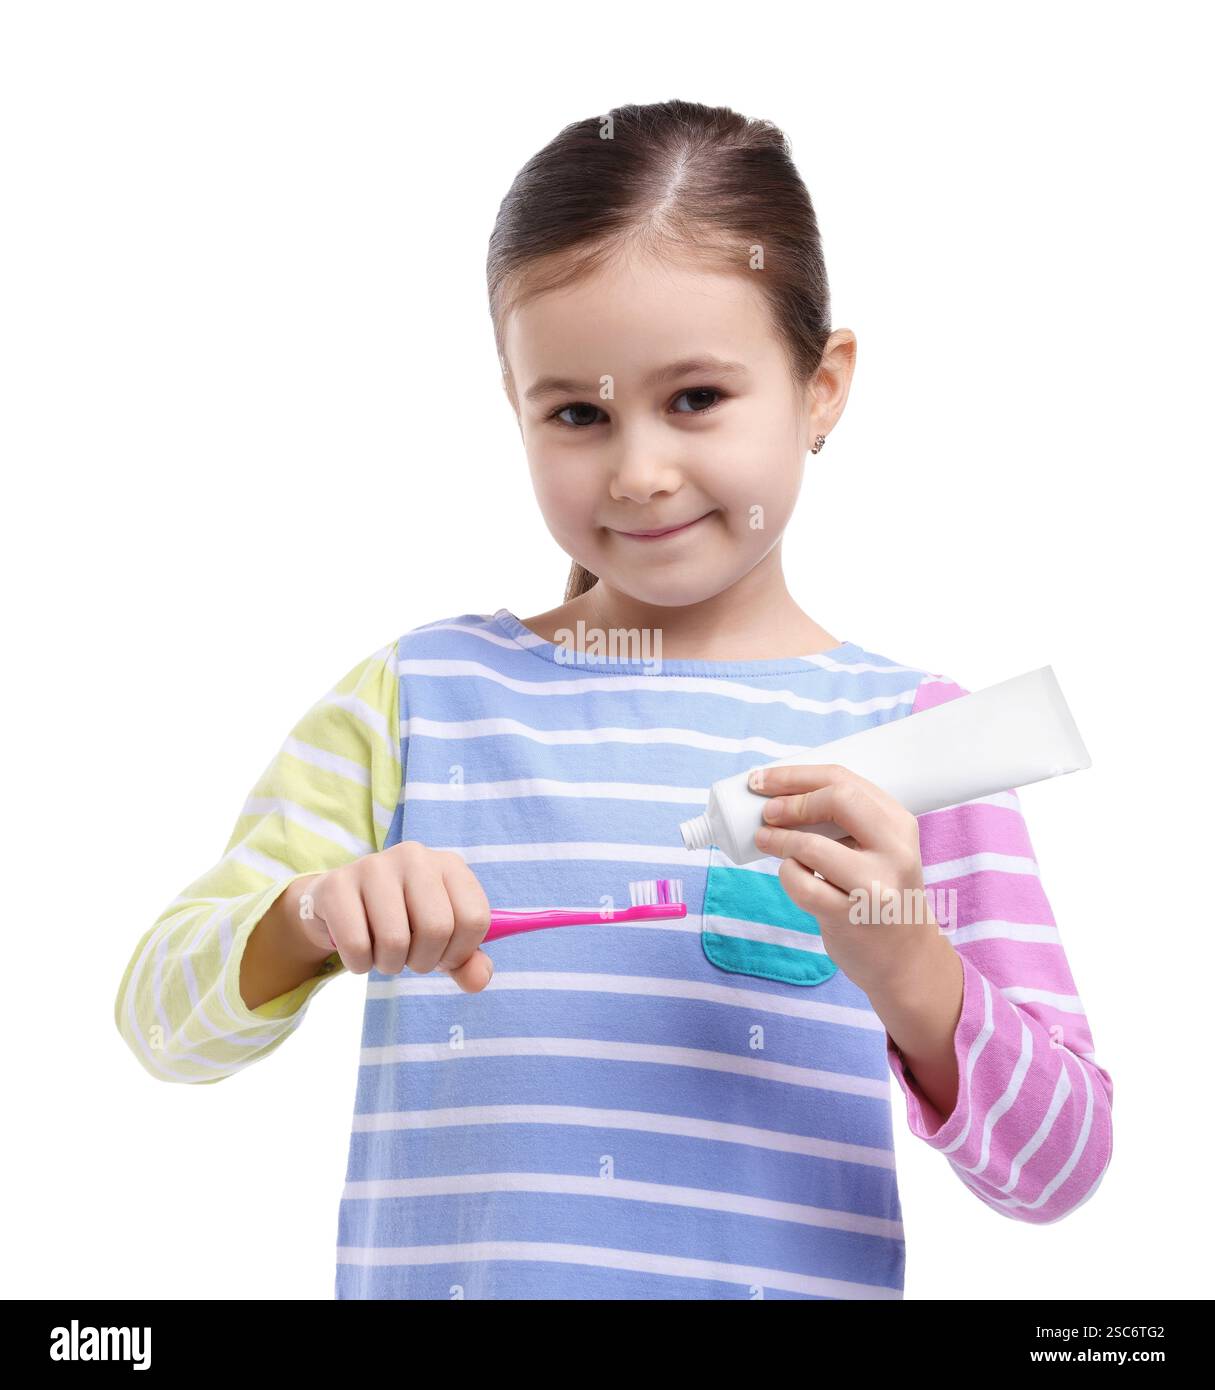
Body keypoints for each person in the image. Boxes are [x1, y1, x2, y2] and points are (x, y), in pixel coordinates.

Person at [114, 98, 1113, 1300]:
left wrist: (914, 975)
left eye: (696, 398)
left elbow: (1062, 1173)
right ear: (517, 404)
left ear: (823, 385)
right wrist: (312, 913)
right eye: (579, 413)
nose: (639, 472)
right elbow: (160, 1023)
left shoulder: (915, 749)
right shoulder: (420, 701)